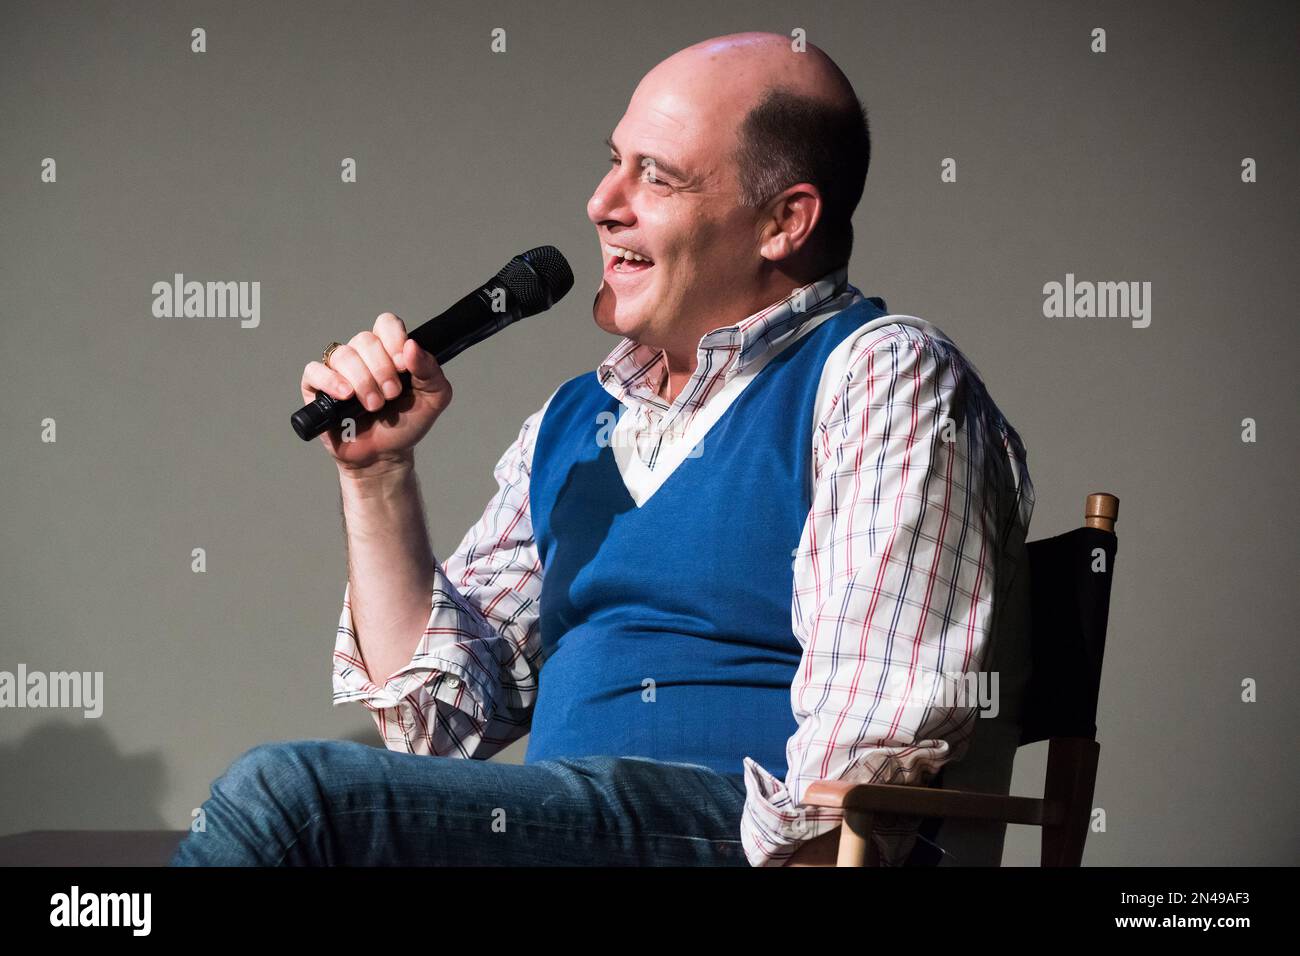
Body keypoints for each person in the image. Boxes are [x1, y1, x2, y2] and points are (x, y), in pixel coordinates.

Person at [171, 30, 1034, 868]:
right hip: (571, 829)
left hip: (744, 838)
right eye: (614, 160)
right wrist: (378, 477)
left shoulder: (881, 375)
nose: (601, 202)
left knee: (289, 804)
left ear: (784, 221)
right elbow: (434, 727)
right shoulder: (575, 420)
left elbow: (863, 759)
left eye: (654, 176)